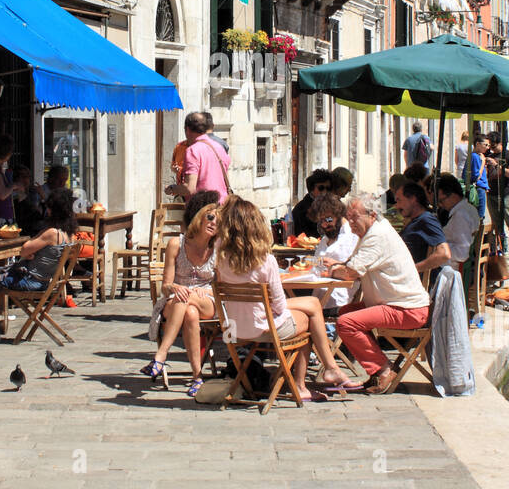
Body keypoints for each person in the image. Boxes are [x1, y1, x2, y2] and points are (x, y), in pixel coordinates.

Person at [214, 196, 360, 400]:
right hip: (264, 327)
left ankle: (324, 372)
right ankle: (313, 378)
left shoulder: (220, 259)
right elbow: (279, 307)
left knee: (312, 304)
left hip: (234, 329)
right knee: (309, 316)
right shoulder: (266, 261)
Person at [328, 193, 433, 395]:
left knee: (346, 322)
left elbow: (351, 272)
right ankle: (377, 367)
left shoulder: (376, 236)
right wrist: (339, 267)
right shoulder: (371, 233)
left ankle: (384, 370)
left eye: (354, 217)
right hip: (393, 303)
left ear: (372, 215)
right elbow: (353, 265)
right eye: (348, 217)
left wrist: (333, 270)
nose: (350, 223)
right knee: (345, 312)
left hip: (406, 309)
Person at [144, 191, 220, 396]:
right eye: (210, 217)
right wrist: (175, 288)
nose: (215, 223)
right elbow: (165, 286)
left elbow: (222, 284)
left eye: (219, 219)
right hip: (177, 299)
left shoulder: (219, 248)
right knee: (189, 311)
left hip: (207, 299)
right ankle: (197, 376)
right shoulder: (176, 244)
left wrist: (196, 291)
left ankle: (160, 356)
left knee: (187, 301)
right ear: (198, 217)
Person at [0, 188, 77, 341]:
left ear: (52, 211)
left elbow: (24, 250)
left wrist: (31, 251)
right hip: (44, 282)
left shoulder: (51, 233)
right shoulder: (68, 234)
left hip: (29, 281)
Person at [393, 181, 451, 288]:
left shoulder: (427, 220)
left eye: (399, 200)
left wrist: (414, 269)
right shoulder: (415, 221)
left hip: (410, 286)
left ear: (413, 199)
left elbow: (444, 254)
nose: (397, 206)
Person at [308, 193, 359, 311]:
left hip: (339, 301)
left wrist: (331, 268)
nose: (325, 224)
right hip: (318, 299)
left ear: (339, 215)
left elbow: (353, 273)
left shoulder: (352, 237)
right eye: (321, 221)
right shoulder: (325, 239)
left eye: (328, 219)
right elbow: (315, 266)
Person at [166, 112, 232, 202]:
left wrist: (172, 188)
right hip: (222, 206)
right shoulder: (219, 147)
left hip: (203, 209)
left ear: (187, 129)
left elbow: (190, 188)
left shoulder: (193, 150)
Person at [435, 176, 482, 275]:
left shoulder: (460, 216)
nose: (440, 205)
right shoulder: (469, 208)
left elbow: (462, 253)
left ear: (453, 196)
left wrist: (439, 248)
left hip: (451, 269)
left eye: (442, 200)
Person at [486, 149, 509, 255]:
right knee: (496, 224)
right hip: (491, 192)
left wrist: (496, 165)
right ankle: (502, 247)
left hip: (505, 193)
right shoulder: (488, 154)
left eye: (492, 144)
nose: (490, 147)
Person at [289, 168, 332, 239]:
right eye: (321, 188)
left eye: (328, 188)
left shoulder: (329, 206)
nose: (325, 191)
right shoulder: (302, 209)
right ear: (312, 189)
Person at [469, 135, 489, 219]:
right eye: (485, 145)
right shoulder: (475, 157)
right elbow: (476, 176)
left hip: (482, 187)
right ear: (477, 144)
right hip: (478, 188)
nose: (487, 148)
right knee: (479, 216)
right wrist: (483, 162)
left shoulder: (477, 156)